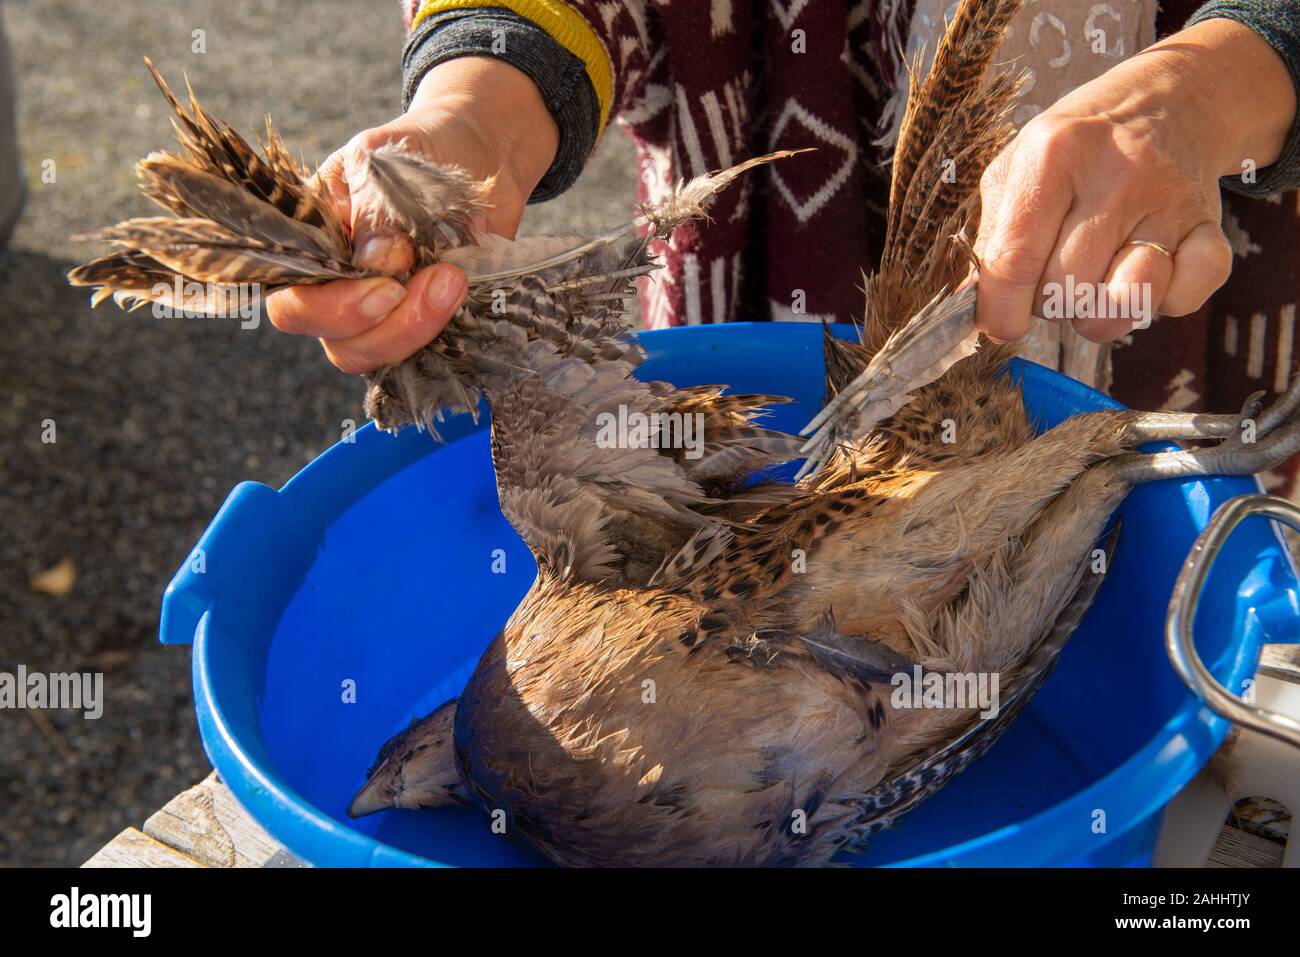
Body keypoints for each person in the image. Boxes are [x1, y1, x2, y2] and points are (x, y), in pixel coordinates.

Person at [266, 0, 1300, 484]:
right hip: (757, 319)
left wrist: (1208, 88)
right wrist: (472, 119)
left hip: (1193, 327)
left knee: (1186, 640)